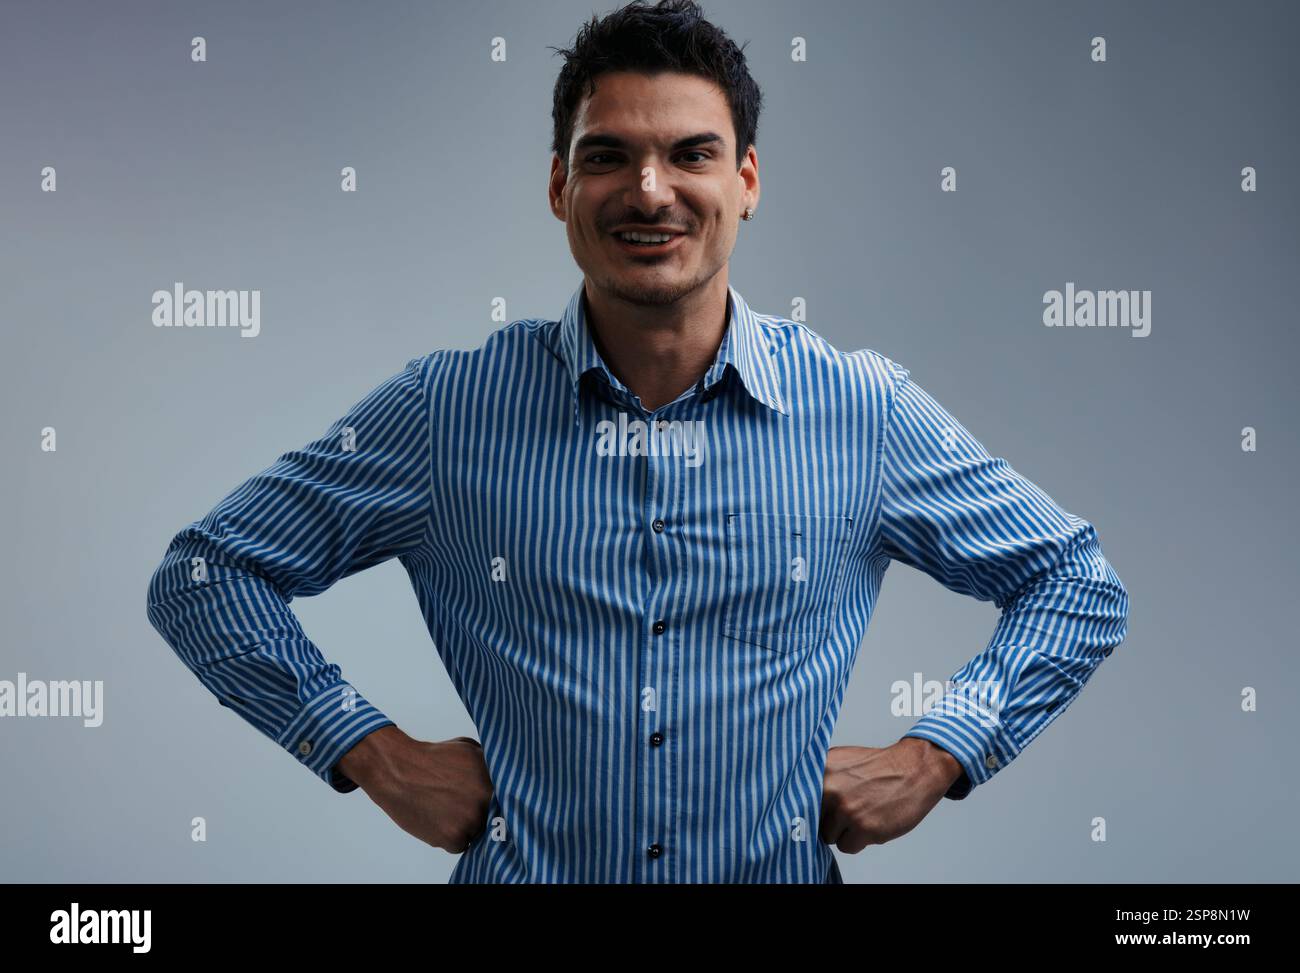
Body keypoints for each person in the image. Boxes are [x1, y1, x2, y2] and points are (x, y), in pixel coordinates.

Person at [146, 0, 1129, 884]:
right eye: (607, 155)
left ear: (746, 182)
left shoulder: (862, 410)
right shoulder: (445, 412)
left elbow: (1074, 581)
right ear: (558, 187)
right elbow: (204, 572)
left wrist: (937, 752)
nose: (649, 190)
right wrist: (368, 747)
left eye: (692, 154)